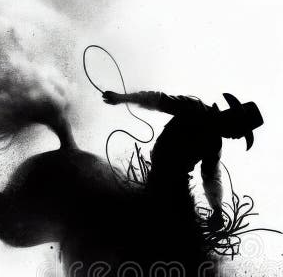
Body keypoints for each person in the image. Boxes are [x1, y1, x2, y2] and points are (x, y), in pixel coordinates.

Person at [102, 89, 263, 230]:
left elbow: (211, 176)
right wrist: (122, 98)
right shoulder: (195, 109)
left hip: (176, 179)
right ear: (233, 118)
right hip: (164, 172)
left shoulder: (214, 145)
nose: (236, 137)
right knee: (177, 224)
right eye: (240, 131)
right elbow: (160, 100)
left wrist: (217, 208)